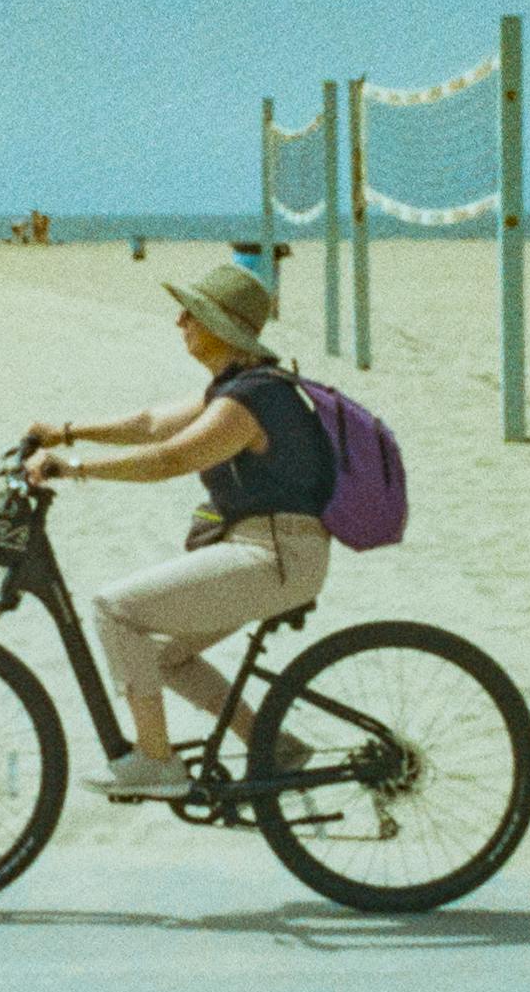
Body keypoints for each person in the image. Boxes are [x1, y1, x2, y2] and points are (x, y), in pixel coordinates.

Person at [24, 261, 334, 801]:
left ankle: (156, 762)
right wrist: (66, 432)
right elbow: (150, 424)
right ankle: (271, 745)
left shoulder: (250, 401)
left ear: (219, 325)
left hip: (274, 556)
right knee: (163, 656)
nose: (179, 322)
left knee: (116, 610)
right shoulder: (238, 389)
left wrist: (71, 469)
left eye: (191, 313)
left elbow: (169, 458)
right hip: (270, 552)